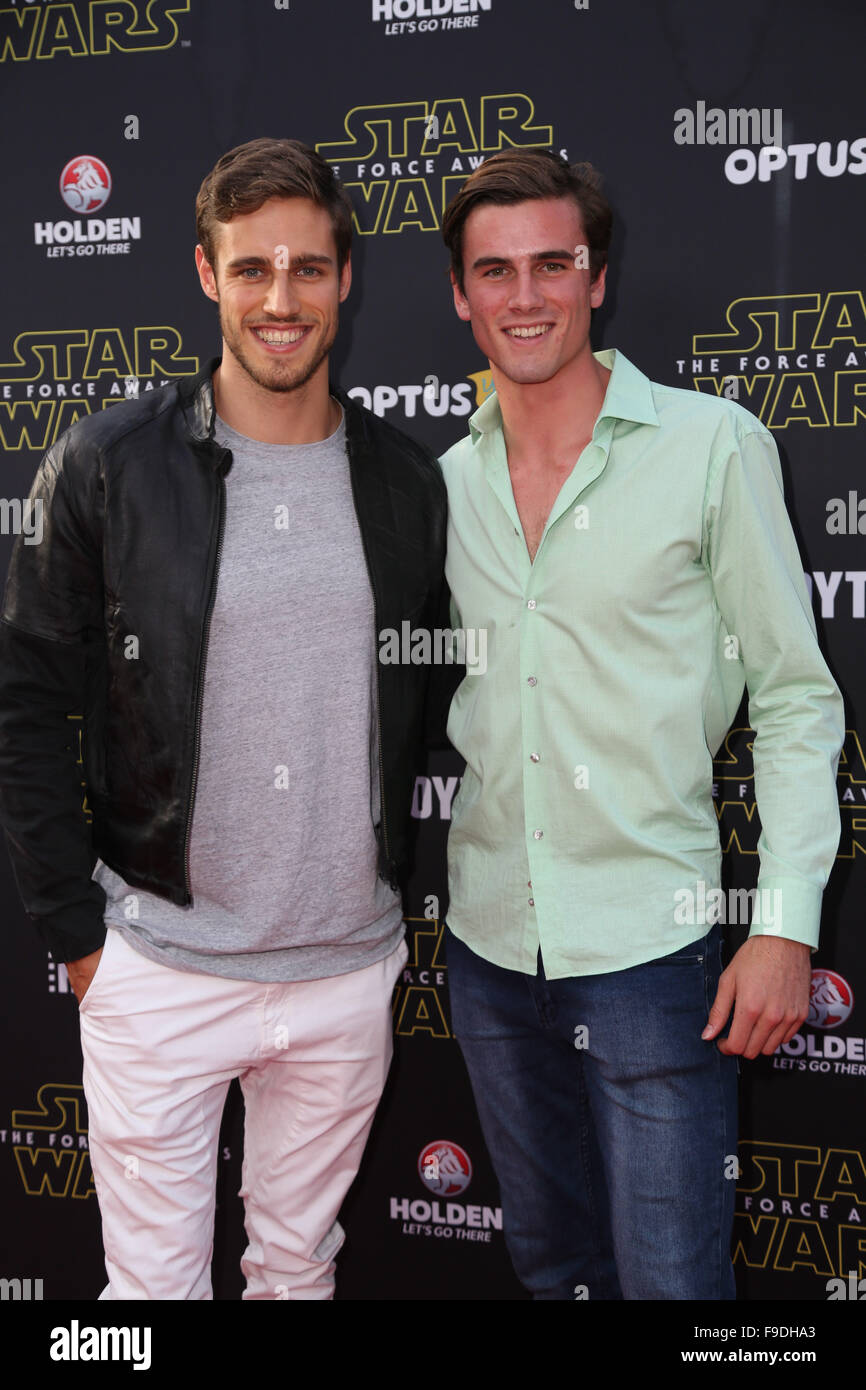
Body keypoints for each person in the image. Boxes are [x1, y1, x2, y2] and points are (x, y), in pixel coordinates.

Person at [0, 137, 447, 1300]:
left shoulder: (407, 480)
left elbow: (439, 699)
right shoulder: (109, 464)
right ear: (206, 275)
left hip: (346, 972)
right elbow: (27, 706)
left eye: (306, 269)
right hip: (162, 965)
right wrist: (82, 941)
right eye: (251, 270)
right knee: (149, 1299)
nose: (279, 300)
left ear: (346, 277)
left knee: (298, 1275)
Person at [437, 148, 844, 1300]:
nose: (526, 296)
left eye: (551, 264)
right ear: (459, 297)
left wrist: (782, 925)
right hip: (484, 946)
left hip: (651, 957)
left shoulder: (711, 447)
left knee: (674, 1286)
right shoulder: (445, 481)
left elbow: (796, 695)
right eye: (494, 271)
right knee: (551, 1266)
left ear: (594, 278)